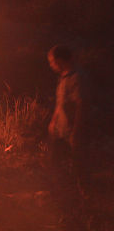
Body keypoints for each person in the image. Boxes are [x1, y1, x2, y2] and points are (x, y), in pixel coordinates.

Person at [48, 45, 88, 199]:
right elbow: (60, 104)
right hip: (60, 130)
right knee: (56, 161)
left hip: (72, 130)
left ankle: (84, 196)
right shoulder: (63, 78)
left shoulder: (76, 78)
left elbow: (81, 105)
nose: (51, 65)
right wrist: (53, 122)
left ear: (59, 60)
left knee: (78, 163)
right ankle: (61, 194)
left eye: (52, 61)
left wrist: (76, 132)